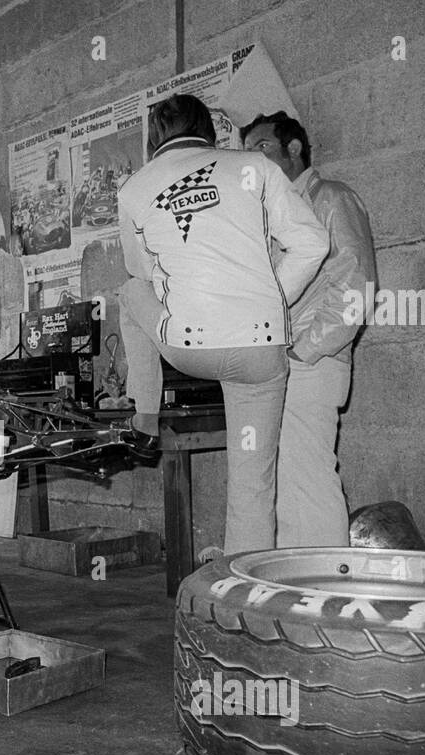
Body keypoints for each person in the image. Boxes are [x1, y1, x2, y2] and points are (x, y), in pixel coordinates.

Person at [117, 94, 328, 554]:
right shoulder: (256, 167)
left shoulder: (133, 189)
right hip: (260, 347)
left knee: (129, 292)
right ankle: (245, 598)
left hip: (188, 345)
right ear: (211, 132)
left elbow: (142, 273)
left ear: (154, 140)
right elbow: (313, 244)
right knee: (253, 483)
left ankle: (146, 416)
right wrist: (272, 301)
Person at [241, 112, 377, 547]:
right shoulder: (275, 213)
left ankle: (328, 586)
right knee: (284, 484)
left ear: (294, 148)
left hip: (310, 363)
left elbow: (355, 284)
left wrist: (304, 350)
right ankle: (298, 586)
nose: (253, 163)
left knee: (308, 480)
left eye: (261, 148)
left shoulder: (330, 198)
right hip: (281, 363)